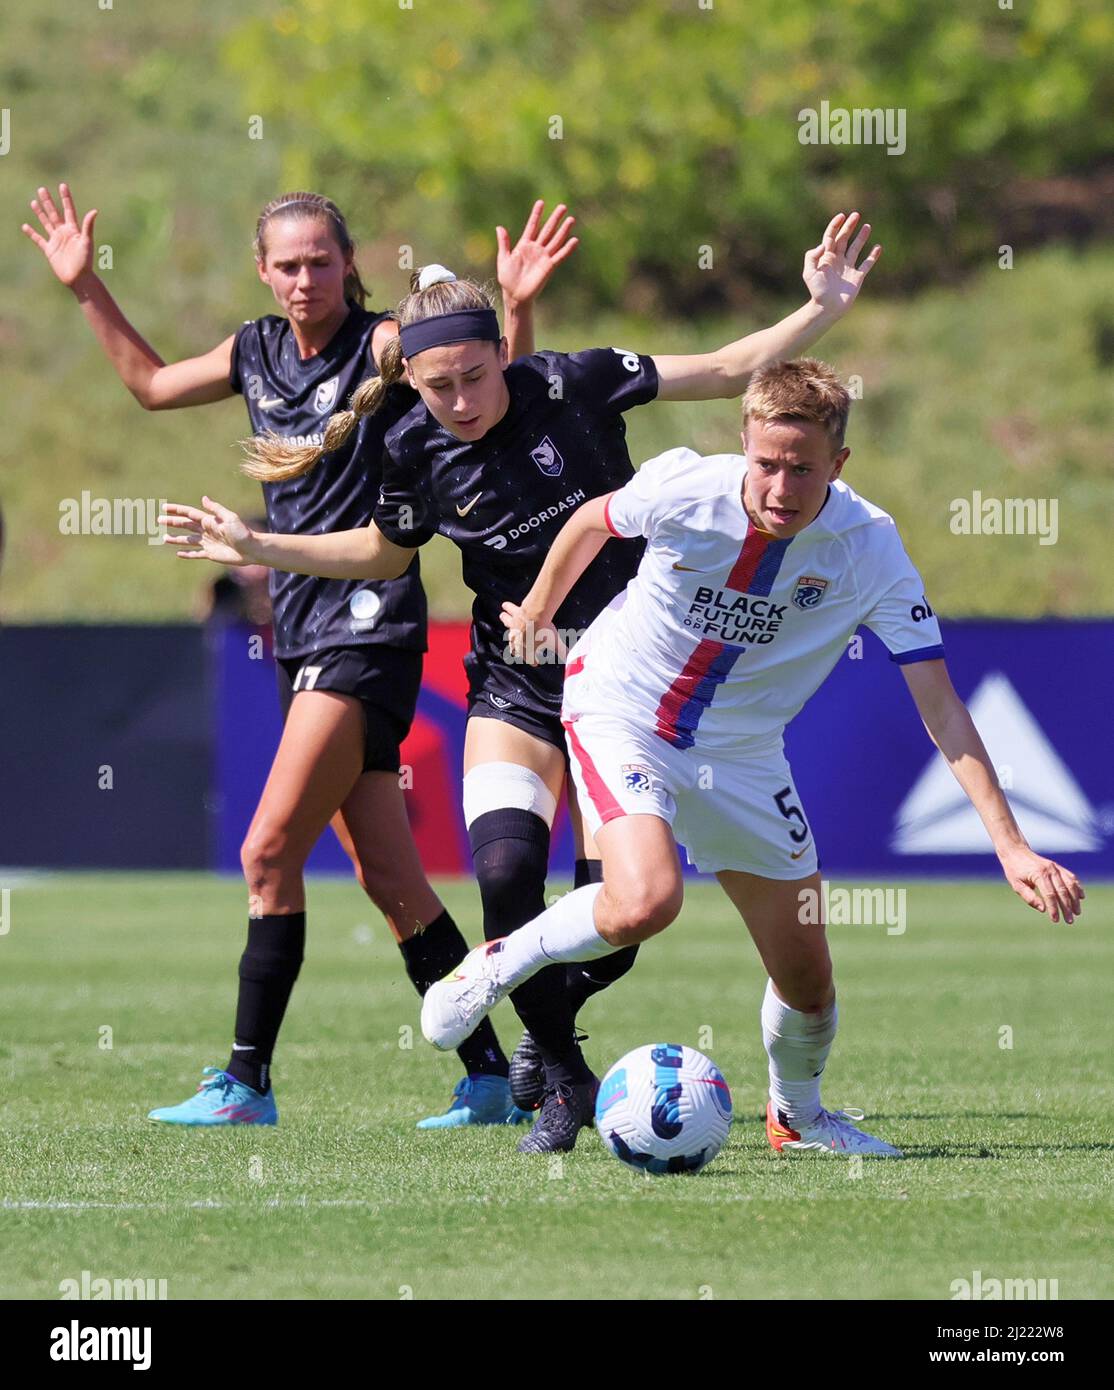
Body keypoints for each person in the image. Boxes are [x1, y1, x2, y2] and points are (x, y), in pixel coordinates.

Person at [160, 212, 882, 1151]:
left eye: (473, 375)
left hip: (625, 679)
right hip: (513, 682)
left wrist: (818, 310)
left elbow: (724, 365)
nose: (458, 400)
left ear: (504, 352)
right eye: (436, 386)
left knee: (619, 926)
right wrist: (263, 547)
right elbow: (385, 553)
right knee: (503, 873)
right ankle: (557, 1081)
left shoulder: (573, 383)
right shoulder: (412, 446)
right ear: (409, 382)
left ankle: (547, 1032)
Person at [420, 356, 1086, 1157]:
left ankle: (798, 1119)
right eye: (766, 463)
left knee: (808, 977)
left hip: (741, 755)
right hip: (623, 709)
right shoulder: (687, 487)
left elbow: (940, 703)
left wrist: (1010, 844)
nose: (779, 485)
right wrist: (536, 610)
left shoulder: (869, 548)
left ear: (838, 465)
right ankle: (494, 963)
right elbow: (595, 517)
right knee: (645, 901)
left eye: (802, 469)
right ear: (744, 443)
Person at [24, 183, 575, 1127]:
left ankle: (246, 1082)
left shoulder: (388, 346)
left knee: (266, 849)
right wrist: (84, 285)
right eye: (288, 263)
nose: (306, 277)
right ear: (262, 271)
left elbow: (488, 393)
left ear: (349, 264)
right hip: (301, 631)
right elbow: (153, 388)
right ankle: (489, 1074)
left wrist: (517, 309)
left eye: (323, 260)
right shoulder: (256, 351)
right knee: (389, 877)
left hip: (371, 624)